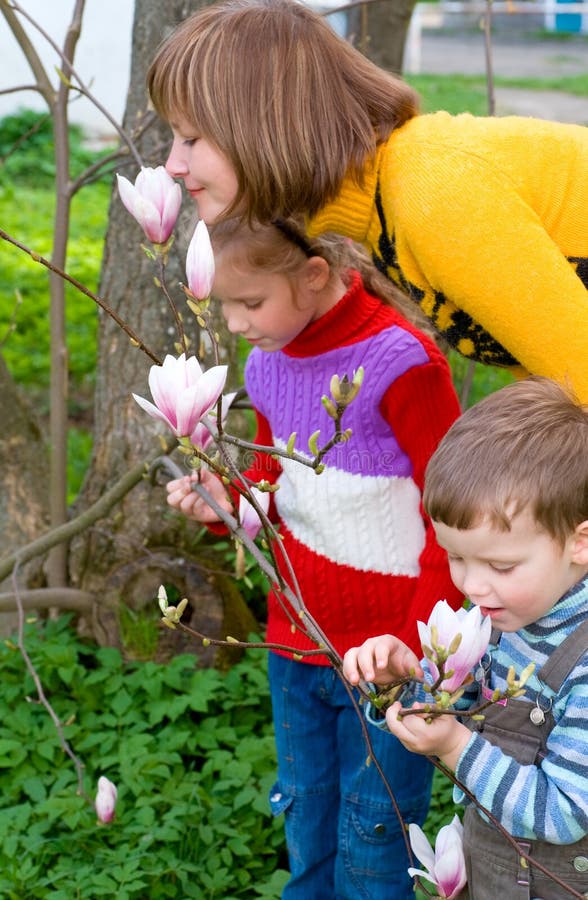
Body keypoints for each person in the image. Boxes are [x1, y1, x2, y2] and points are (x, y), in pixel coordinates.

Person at [166, 217, 463, 899]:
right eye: (224, 306)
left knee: (374, 827)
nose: (237, 325)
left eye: (250, 303)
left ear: (314, 275)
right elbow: (276, 489)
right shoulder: (268, 360)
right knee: (305, 807)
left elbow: (452, 510)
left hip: (389, 655)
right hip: (296, 640)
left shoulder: (402, 361)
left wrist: (419, 642)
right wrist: (227, 506)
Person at [146, 0, 588, 403]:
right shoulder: (385, 215)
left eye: (190, 138)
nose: (172, 165)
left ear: (263, 130)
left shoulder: (431, 196)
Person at [343, 376, 588, 900]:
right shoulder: (505, 616)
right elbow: (467, 713)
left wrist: (455, 747)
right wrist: (410, 684)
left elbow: (565, 812)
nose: (473, 586)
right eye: (456, 557)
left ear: (579, 543)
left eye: (500, 564)